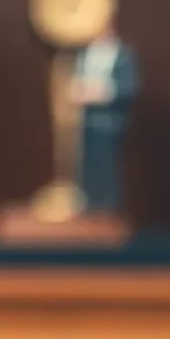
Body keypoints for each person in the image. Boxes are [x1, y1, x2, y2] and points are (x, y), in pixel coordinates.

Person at [68, 19, 140, 214]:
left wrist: (99, 93)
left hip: (110, 124)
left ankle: (108, 211)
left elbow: (128, 89)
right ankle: (88, 208)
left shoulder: (123, 55)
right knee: (87, 170)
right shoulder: (85, 55)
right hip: (88, 124)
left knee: (108, 170)